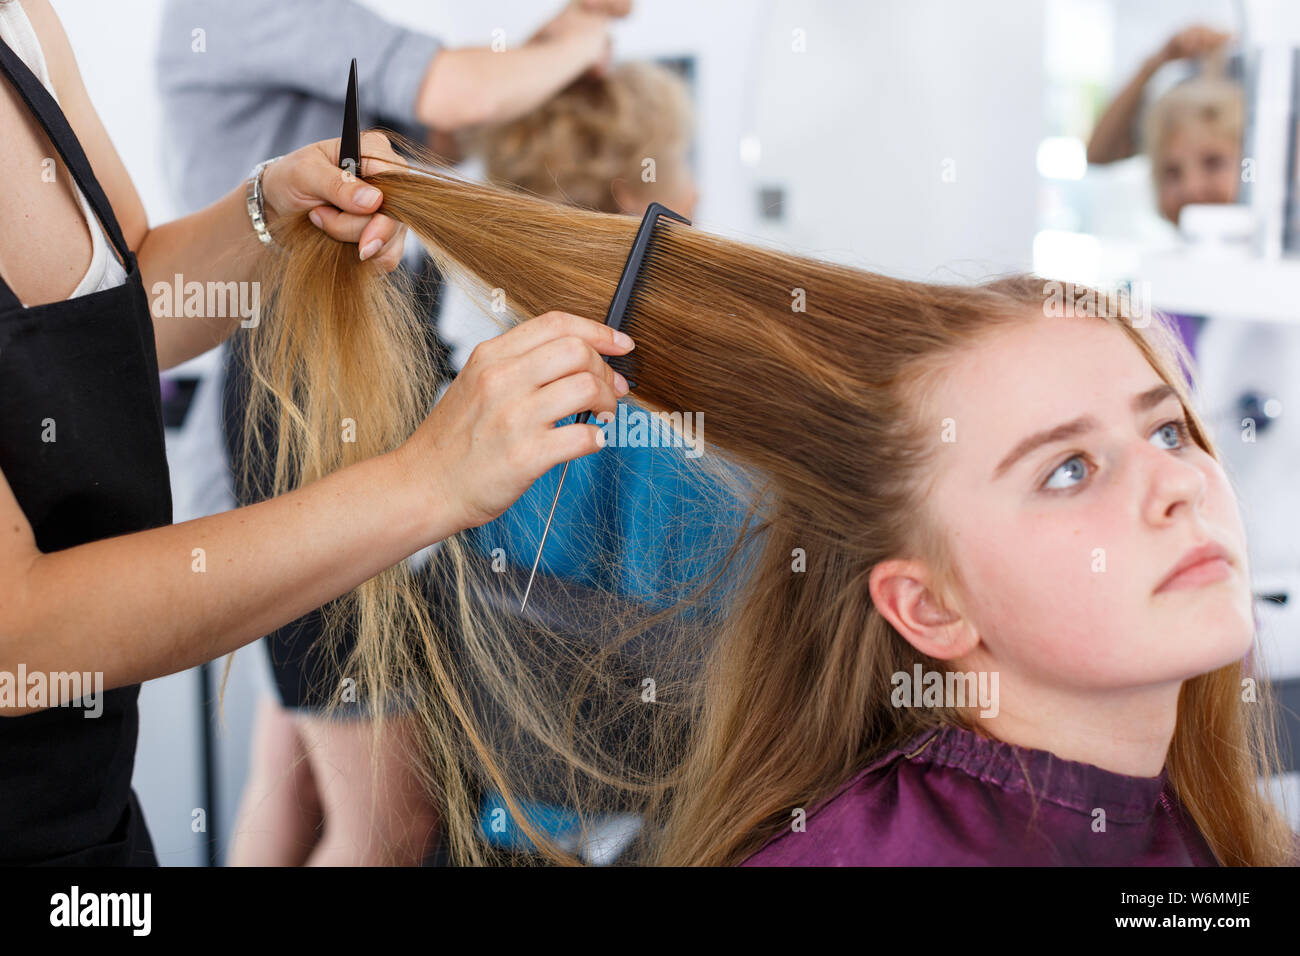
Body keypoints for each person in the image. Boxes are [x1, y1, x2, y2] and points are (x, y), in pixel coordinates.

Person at [241, 154, 1299, 866]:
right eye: (1067, 468)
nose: (1176, 482)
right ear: (927, 608)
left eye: (1165, 430)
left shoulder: (1190, 819)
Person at [0, 0, 633, 866]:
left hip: (95, 796)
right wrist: (430, 481)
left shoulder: (24, 27)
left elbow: (128, 299)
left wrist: (268, 212)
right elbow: (15, 640)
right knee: (376, 821)